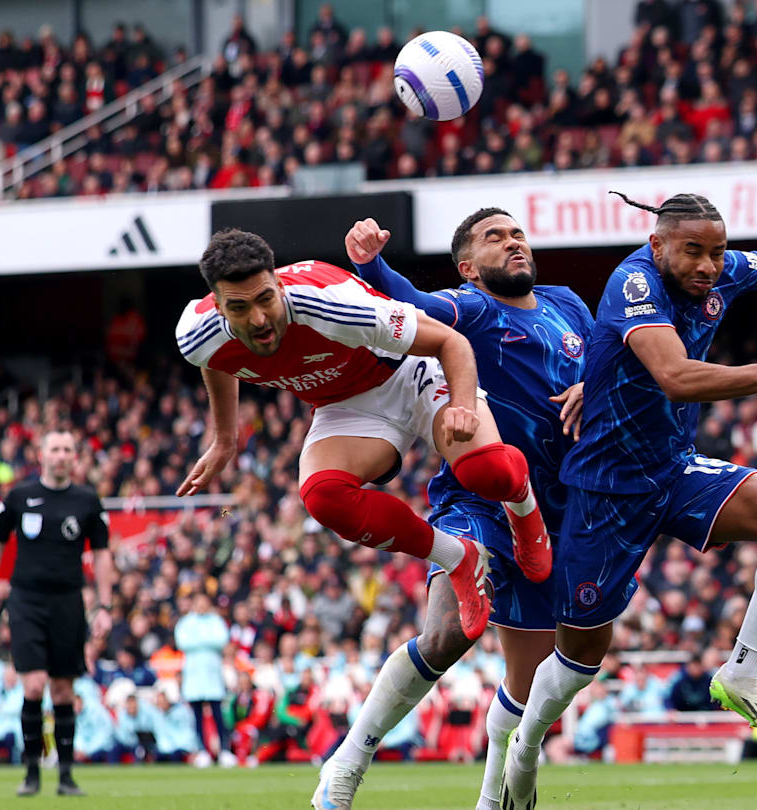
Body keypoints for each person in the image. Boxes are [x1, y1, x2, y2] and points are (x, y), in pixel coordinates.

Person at [501, 194, 757, 807]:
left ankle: (742, 668)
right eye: (693, 251)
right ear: (660, 244)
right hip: (607, 488)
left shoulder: (714, 271)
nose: (709, 265)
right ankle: (526, 747)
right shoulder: (634, 282)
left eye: (717, 251)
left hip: (675, 468)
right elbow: (677, 376)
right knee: (582, 653)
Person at [321, 210, 590, 810]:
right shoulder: (470, 307)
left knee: (530, 683)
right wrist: (370, 261)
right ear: (468, 269)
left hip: (562, 509)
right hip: (479, 500)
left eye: (516, 233)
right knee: (448, 633)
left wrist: (592, 385)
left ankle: (494, 796)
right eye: (495, 238)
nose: (513, 242)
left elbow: (610, 360)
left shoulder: (568, 303)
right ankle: (347, 763)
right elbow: (410, 301)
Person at [174, 229, 547, 647]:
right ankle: (458, 559)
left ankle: (524, 508)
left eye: (266, 300)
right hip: (345, 402)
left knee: (487, 471)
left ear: (279, 285)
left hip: (412, 369)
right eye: (239, 308)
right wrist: (225, 441)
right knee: (323, 496)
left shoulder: (332, 307)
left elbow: (450, 341)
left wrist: (461, 406)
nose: (258, 319)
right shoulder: (196, 333)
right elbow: (213, 359)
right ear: (219, 308)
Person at [0, 428, 115, 796]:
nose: (62, 455)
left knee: (64, 691)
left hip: (68, 602)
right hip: (27, 601)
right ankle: (32, 772)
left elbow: (101, 555)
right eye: (56, 448)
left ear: (75, 456)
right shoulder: (19, 496)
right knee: (33, 685)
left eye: (69, 448)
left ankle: (66, 776)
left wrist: (104, 604)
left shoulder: (87, 500)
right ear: (42, 455)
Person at [175, 591, 231, 766]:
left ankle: (223, 750)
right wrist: (207, 641)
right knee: (197, 716)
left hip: (212, 675)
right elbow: (183, 643)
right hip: (194, 676)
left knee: (217, 714)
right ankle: (201, 750)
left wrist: (198, 641)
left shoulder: (216, 621)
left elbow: (222, 640)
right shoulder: (186, 622)